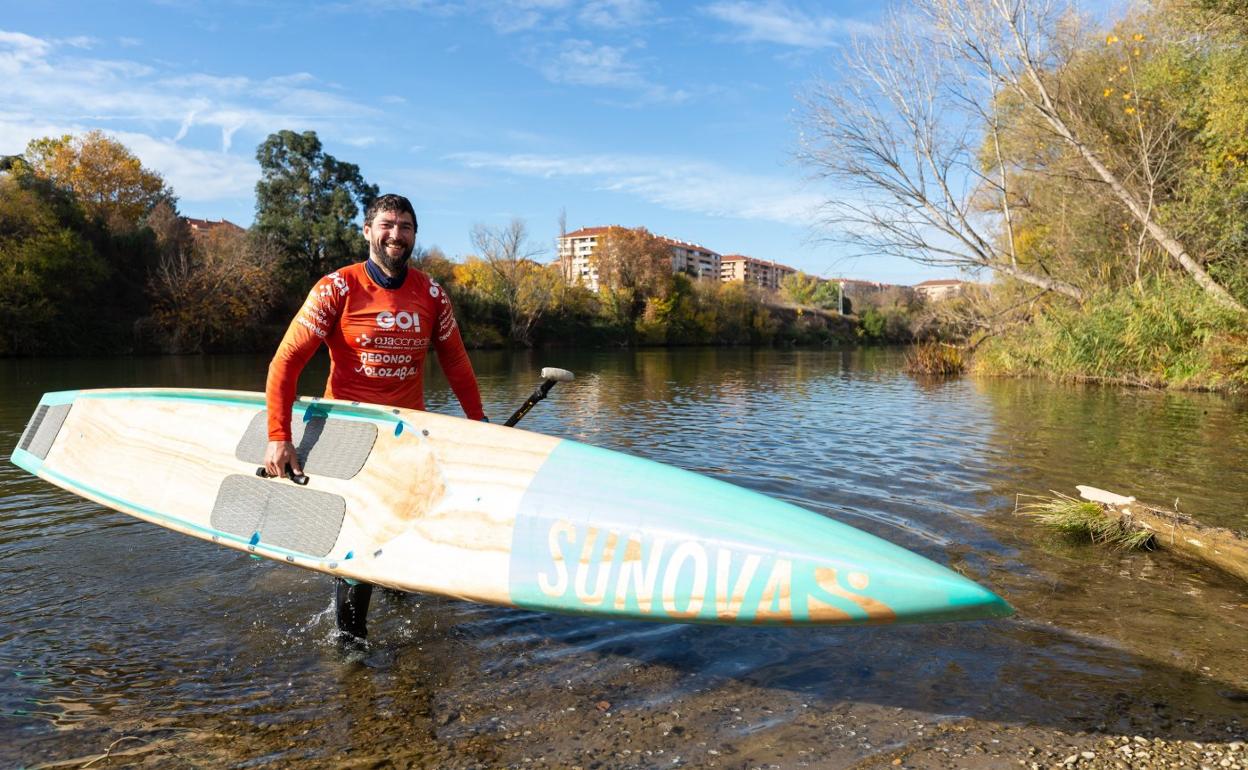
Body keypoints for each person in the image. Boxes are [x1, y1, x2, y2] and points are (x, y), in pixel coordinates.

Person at [263, 193, 487, 641]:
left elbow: (457, 365)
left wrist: (480, 430)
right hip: (350, 434)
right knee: (359, 537)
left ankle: (403, 601)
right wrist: (279, 435)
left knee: (405, 525)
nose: (396, 234)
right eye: (386, 225)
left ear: (414, 236)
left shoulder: (432, 294)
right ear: (367, 231)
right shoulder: (336, 288)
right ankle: (349, 641)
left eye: (405, 227)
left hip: (407, 434)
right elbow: (285, 362)